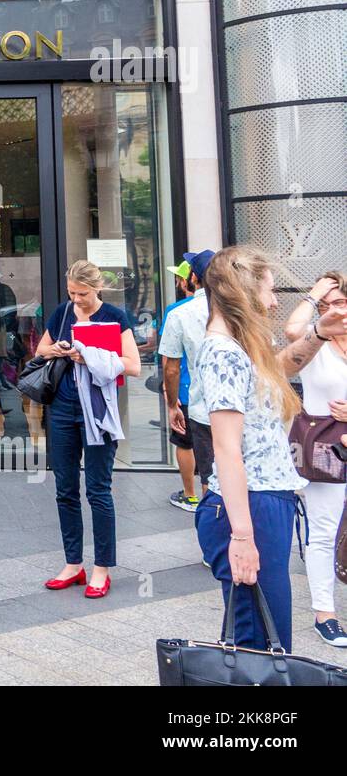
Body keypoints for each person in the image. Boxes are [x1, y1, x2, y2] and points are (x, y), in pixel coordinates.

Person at [193, 246, 347, 652]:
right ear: (244, 292)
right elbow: (227, 450)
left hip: (264, 503)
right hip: (250, 508)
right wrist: (243, 536)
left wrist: (319, 332)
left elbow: (277, 371)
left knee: (267, 636)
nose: (274, 300)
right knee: (259, 644)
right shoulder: (223, 352)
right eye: (269, 290)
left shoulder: (239, 349)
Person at [33, 259, 139, 598]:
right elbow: (39, 351)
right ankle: (73, 564)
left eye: (83, 294)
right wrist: (60, 350)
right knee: (65, 488)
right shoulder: (62, 313)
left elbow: (133, 365)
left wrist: (91, 356)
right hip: (63, 408)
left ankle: (102, 568)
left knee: (98, 490)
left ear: (98, 289)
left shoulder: (114, 317)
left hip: (98, 411)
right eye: (72, 293)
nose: (77, 299)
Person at [282, 270, 347, 647]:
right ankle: (326, 612)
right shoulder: (314, 347)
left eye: (341, 302)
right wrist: (314, 294)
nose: (336, 310)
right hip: (325, 448)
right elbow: (293, 332)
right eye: (328, 305)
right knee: (324, 530)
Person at [159, 251, 216, 515]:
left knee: (207, 471)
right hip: (239, 405)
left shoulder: (180, 313)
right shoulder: (241, 308)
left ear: (193, 277)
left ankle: (212, 534)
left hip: (199, 403)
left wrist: (171, 404)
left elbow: (170, 367)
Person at [157, 258, 200, 512]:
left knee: (185, 442)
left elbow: (168, 358)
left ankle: (190, 495)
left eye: (179, 277)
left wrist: (168, 391)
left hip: (184, 388)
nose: (176, 281)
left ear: (187, 280)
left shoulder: (177, 311)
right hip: (213, 392)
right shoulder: (221, 308)